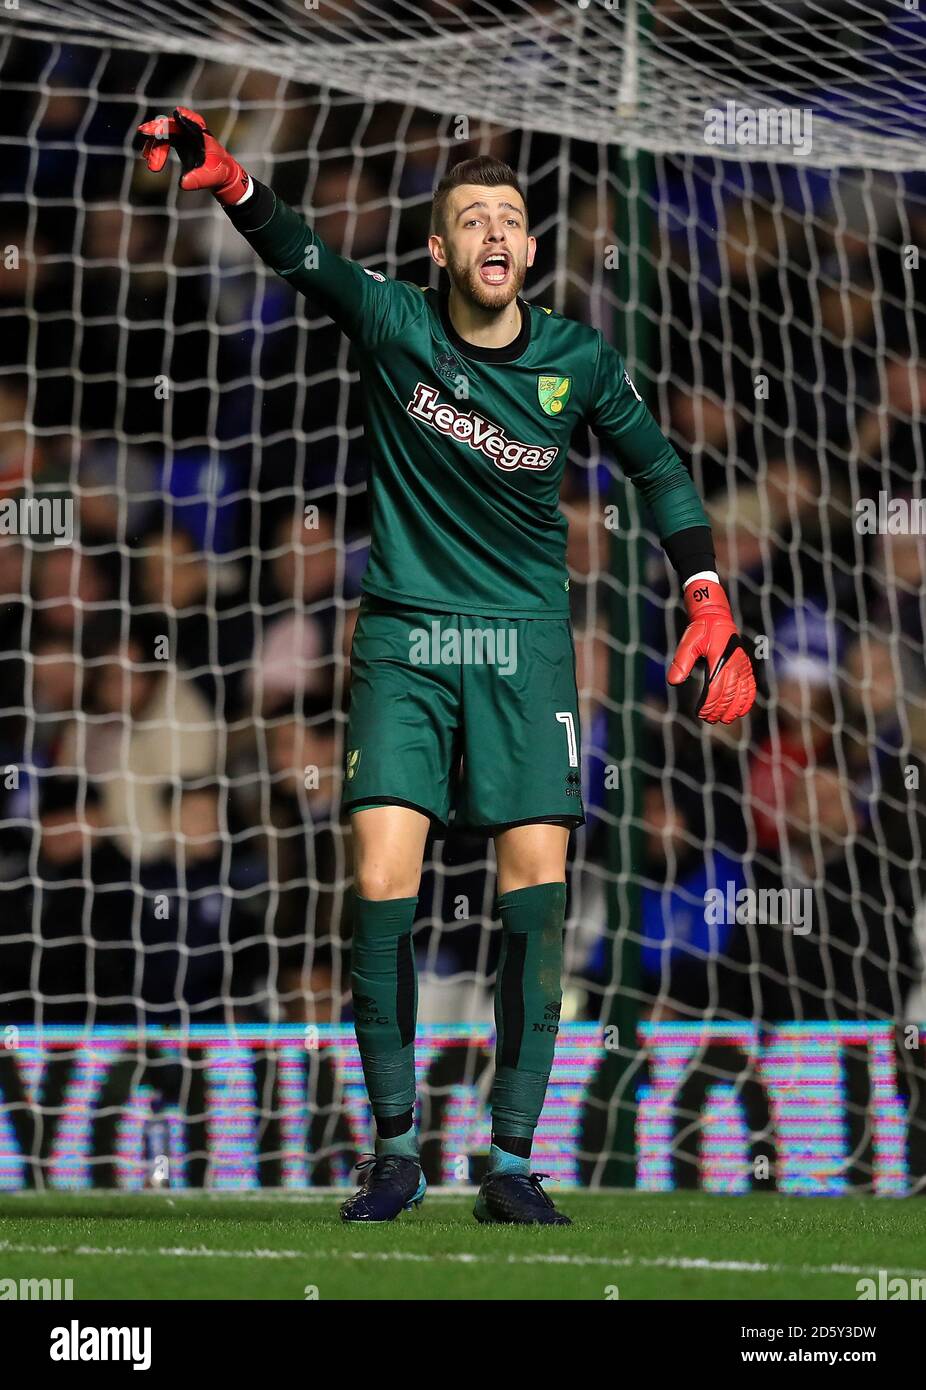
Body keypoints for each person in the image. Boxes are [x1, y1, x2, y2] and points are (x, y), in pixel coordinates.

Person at [136, 107, 757, 1225]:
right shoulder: (394, 320)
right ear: (437, 249)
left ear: (527, 251)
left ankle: (511, 1159)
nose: (491, 232)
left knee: (537, 900)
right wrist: (227, 173)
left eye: (508, 220)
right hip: (405, 636)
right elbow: (299, 251)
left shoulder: (575, 358)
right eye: (469, 217)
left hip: (524, 648)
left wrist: (706, 595)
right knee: (380, 881)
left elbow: (660, 471)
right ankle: (392, 1150)